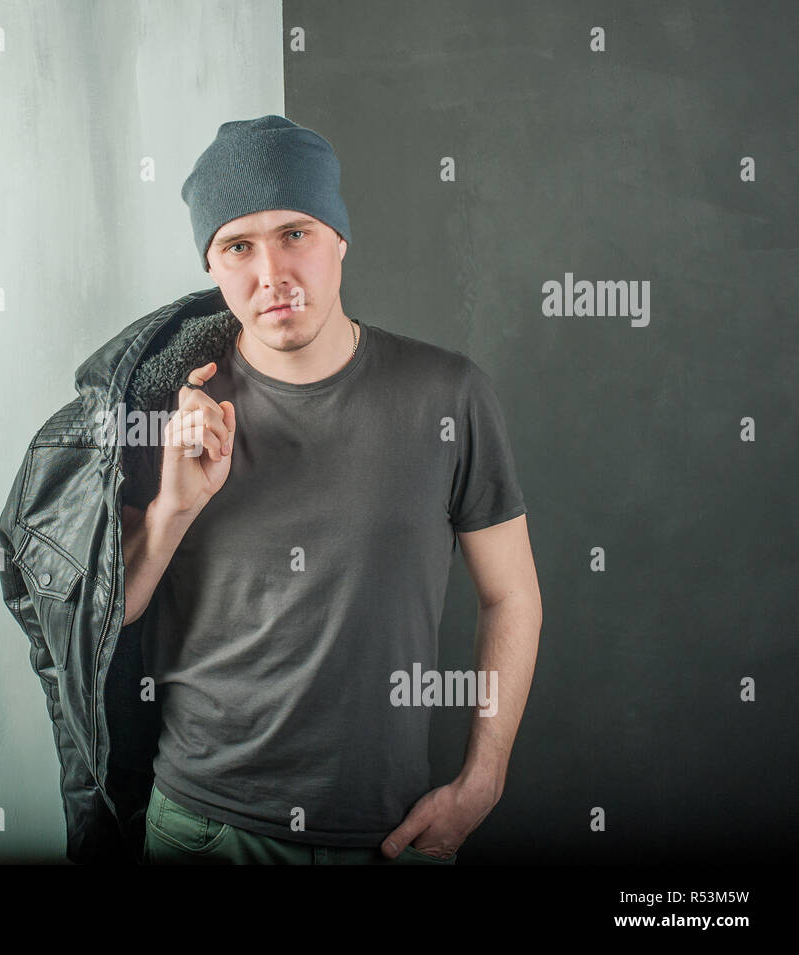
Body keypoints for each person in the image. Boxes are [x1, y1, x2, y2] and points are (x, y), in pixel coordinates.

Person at [120, 115, 542, 864]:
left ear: (339, 238)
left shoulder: (447, 396)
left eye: (296, 233)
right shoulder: (171, 409)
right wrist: (172, 509)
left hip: (383, 835)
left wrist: (486, 778)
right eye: (238, 245)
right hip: (204, 827)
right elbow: (107, 612)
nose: (272, 273)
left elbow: (511, 594)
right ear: (212, 266)